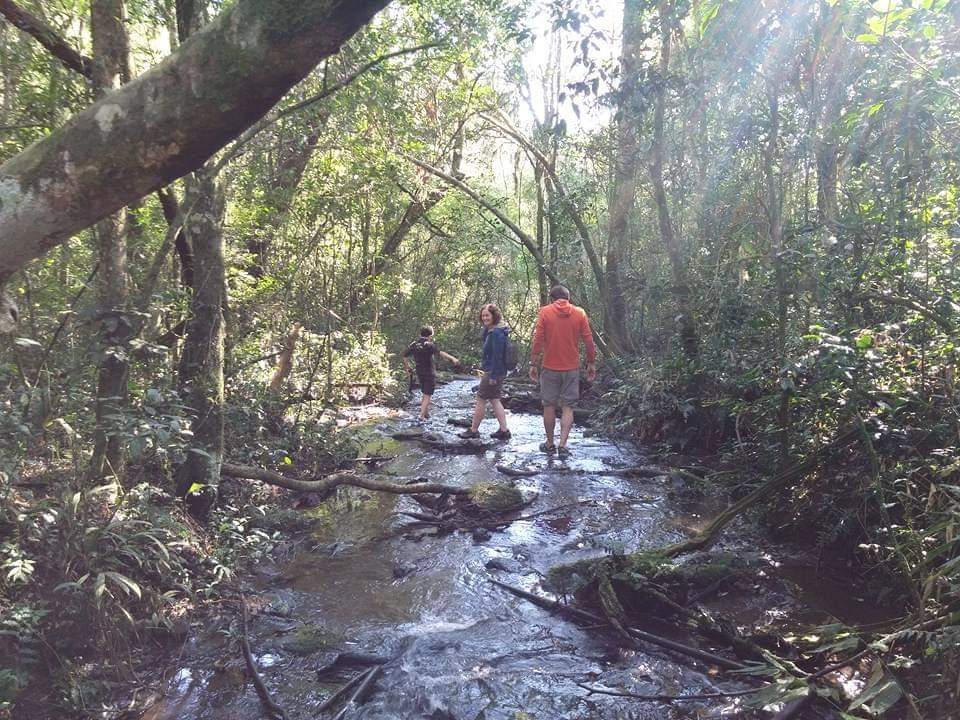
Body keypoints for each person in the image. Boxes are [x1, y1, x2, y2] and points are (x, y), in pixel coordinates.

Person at [529, 285, 596, 457]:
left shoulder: (545, 312)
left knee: (549, 406)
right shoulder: (579, 313)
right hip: (571, 367)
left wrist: (533, 362)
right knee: (568, 407)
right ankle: (563, 445)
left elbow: (538, 339)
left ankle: (550, 444)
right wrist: (591, 362)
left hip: (549, 366)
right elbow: (589, 340)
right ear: (568, 297)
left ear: (552, 299)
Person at [458, 303, 512, 440]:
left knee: (481, 399)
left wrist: (493, 375)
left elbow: (497, 355)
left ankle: (474, 430)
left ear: (494, 316)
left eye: (487, 315)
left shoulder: (496, 333)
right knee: (494, 399)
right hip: (498, 371)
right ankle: (504, 431)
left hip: (493, 371)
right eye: (483, 316)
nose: (484, 318)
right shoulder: (494, 330)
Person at [402, 325, 459, 420]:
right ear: (430, 335)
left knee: (424, 392)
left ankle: (426, 413)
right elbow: (441, 353)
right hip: (429, 372)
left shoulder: (414, 344)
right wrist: (452, 358)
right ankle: (421, 416)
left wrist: (407, 368)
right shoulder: (429, 345)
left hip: (419, 372)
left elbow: (404, 356)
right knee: (427, 394)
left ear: (420, 334)